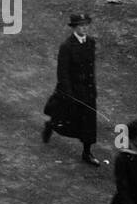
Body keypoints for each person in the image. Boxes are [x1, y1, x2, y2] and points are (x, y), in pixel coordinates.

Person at [42, 12, 100, 167]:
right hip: (73, 91)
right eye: (81, 25)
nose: (84, 28)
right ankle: (51, 125)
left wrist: (93, 88)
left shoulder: (91, 43)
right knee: (66, 120)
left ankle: (87, 152)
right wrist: (68, 93)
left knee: (89, 122)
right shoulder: (67, 46)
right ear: (74, 27)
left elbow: (91, 68)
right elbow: (63, 72)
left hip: (87, 90)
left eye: (86, 25)